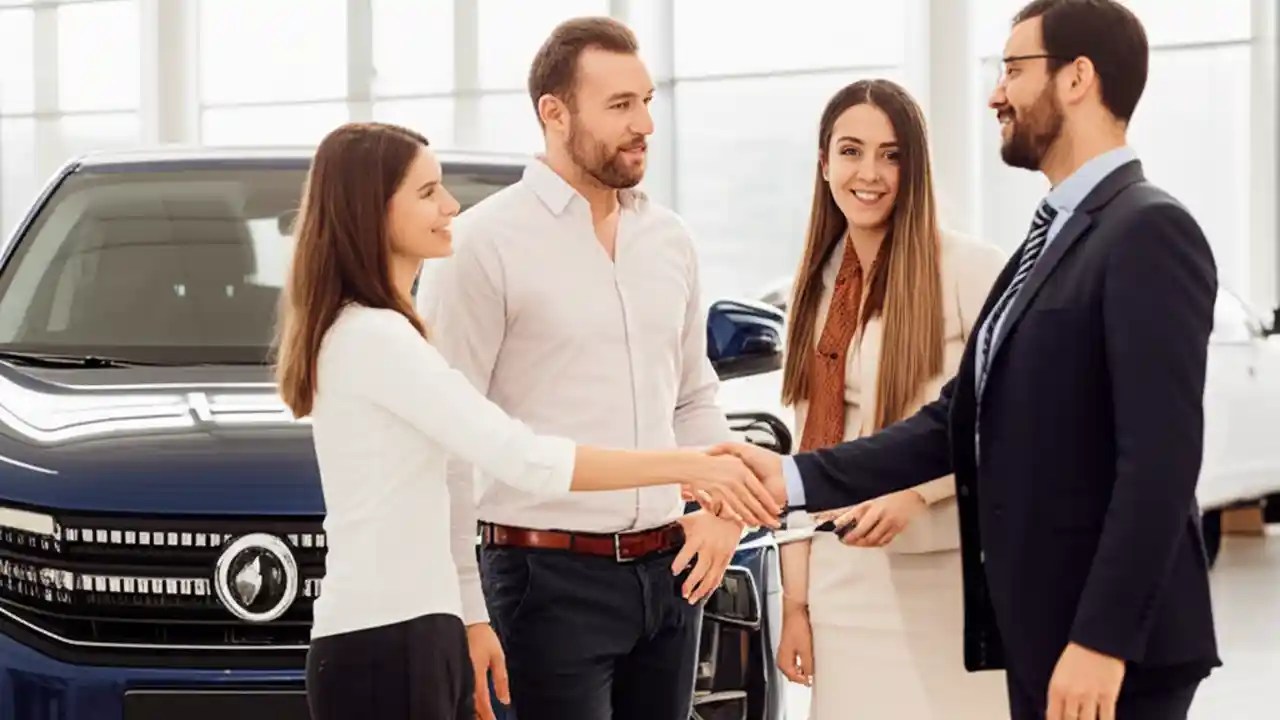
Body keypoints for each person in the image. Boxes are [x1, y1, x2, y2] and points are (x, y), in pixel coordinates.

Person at [714, 2, 1222, 719]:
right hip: (1040, 630)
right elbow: (959, 418)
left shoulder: (1146, 229)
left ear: (1077, 79)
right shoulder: (1049, 240)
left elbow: (1160, 465)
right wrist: (795, 476)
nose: (995, 93)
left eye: (1014, 70)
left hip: (1104, 645)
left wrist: (1102, 640)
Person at [273, 122, 780, 720]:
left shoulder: (380, 332)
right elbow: (521, 458)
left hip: (407, 627)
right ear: (371, 211)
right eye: (427, 192)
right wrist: (690, 465)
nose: (451, 206)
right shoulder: (376, 338)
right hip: (388, 638)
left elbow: (454, 475)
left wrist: (468, 613)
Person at [419, 17, 755, 720]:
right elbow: (445, 445)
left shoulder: (670, 239)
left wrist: (720, 514)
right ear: (554, 112)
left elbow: (694, 397)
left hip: (670, 578)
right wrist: (465, 610)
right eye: (620, 106)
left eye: (647, 101)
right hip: (545, 582)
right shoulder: (482, 245)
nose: (644, 126)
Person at [772, 79, 1009, 718]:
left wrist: (915, 493)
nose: (869, 173)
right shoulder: (816, 286)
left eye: (891, 154)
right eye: (851, 151)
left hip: (946, 574)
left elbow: (1010, 418)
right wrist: (795, 603)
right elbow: (808, 447)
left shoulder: (968, 268)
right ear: (825, 165)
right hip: (841, 578)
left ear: (916, 167)